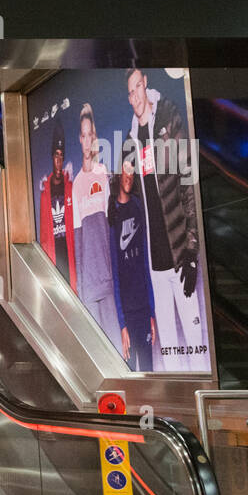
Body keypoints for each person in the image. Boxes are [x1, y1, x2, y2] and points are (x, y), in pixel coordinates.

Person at [126, 67, 203, 372]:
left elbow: (188, 185)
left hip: (180, 257)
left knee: (196, 344)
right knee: (169, 352)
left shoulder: (169, 117)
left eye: (137, 88)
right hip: (156, 266)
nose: (134, 97)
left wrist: (192, 252)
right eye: (129, 93)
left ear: (146, 85)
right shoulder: (132, 135)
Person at [71, 103, 120, 345]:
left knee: (119, 354)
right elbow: (78, 241)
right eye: (84, 135)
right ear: (79, 139)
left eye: (92, 134)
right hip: (89, 288)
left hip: (109, 282)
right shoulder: (76, 183)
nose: (88, 140)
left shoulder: (104, 174)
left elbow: (113, 230)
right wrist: (81, 288)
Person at [107, 152, 158, 371]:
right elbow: (115, 274)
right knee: (130, 374)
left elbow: (145, 265)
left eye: (132, 173)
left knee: (148, 370)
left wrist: (152, 314)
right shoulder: (113, 214)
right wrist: (122, 324)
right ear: (119, 176)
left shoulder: (138, 206)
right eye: (125, 173)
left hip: (143, 309)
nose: (128, 177)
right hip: (127, 312)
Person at [37, 123, 75, 287]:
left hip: (70, 259)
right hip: (54, 262)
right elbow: (44, 235)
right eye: (56, 156)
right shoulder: (44, 191)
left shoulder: (70, 187)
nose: (59, 161)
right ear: (51, 157)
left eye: (62, 156)